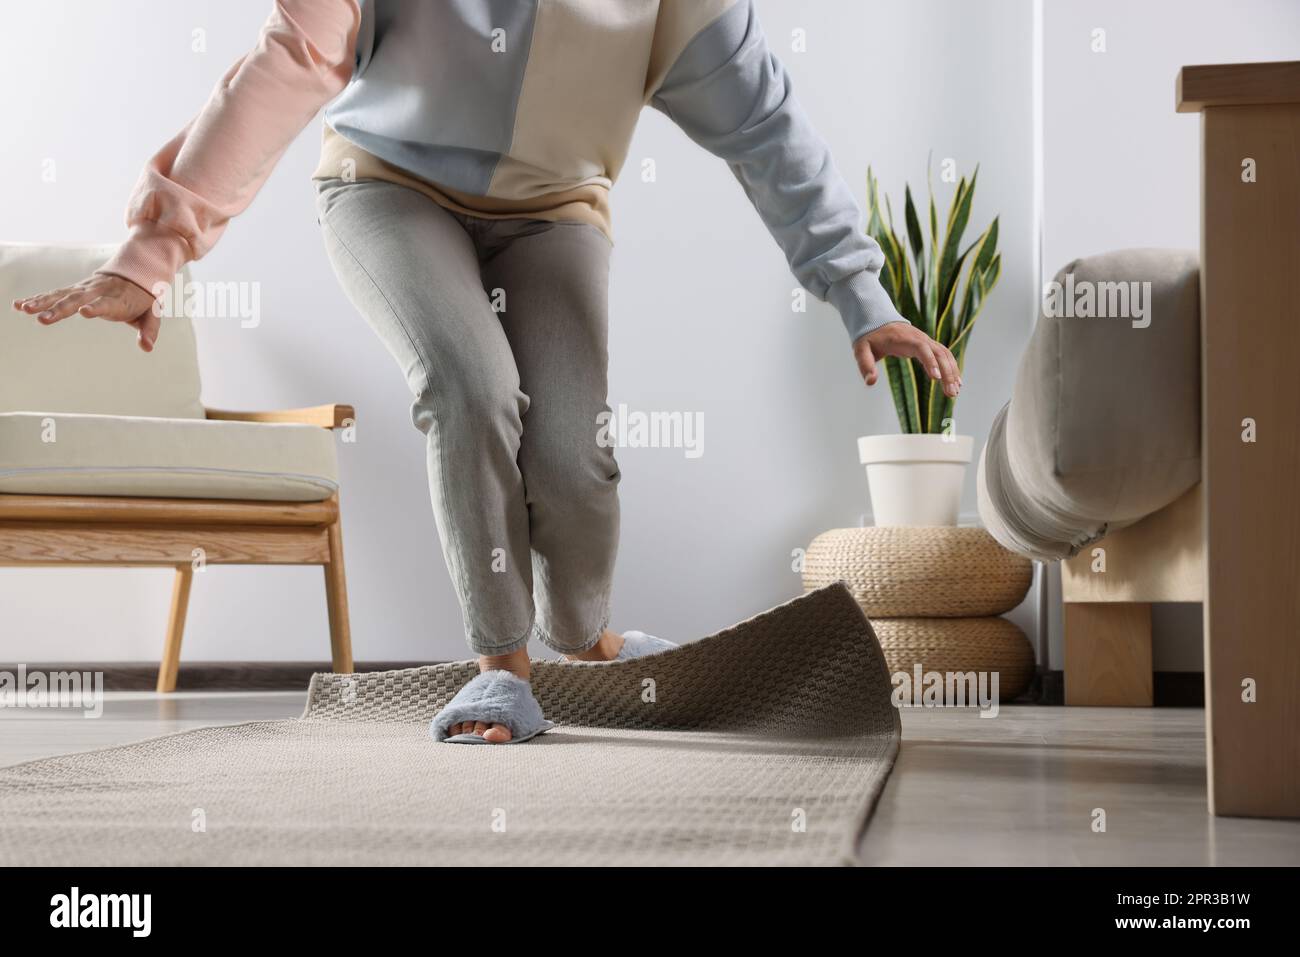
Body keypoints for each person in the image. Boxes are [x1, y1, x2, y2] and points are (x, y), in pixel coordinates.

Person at [12, 0, 961, 744]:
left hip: (555, 208)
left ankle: (587, 636)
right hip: (386, 186)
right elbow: (287, 63)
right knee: (469, 387)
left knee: (575, 458)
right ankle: (502, 664)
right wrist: (153, 254)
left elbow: (763, 122)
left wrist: (858, 291)